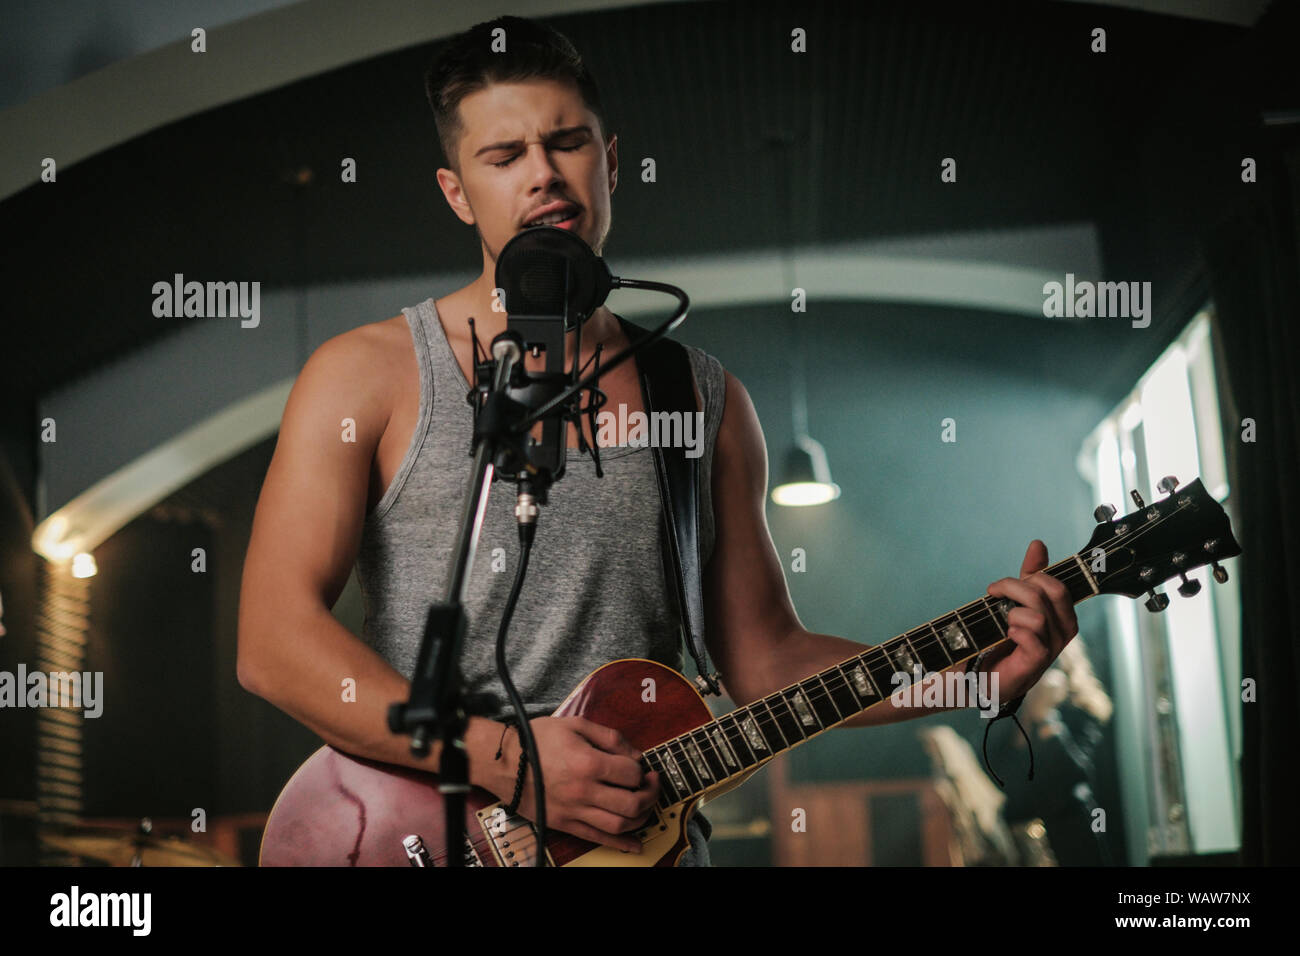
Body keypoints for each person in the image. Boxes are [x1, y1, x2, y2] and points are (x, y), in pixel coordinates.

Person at [235, 15, 1079, 866]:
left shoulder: (703, 396)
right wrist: (507, 761)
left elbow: (766, 660)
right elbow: (273, 642)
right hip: (426, 839)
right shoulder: (365, 375)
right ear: (458, 192)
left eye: (567, 144)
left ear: (609, 162)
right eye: (504, 156)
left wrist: (969, 675)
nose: (543, 176)